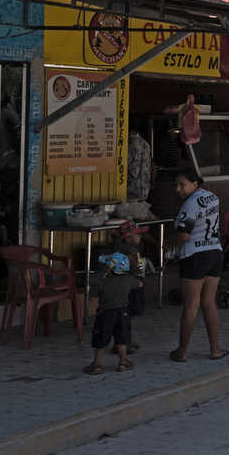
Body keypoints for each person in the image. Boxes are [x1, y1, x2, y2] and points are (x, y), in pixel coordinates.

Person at [168, 169, 227, 363]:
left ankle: (182, 352)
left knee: (191, 305)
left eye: (182, 185)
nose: (178, 189)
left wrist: (169, 244)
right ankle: (215, 349)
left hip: (195, 256)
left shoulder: (190, 204)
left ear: (194, 184)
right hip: (215, 253)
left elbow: (184, 235)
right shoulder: (213, 197)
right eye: (176, 185)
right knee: (209, 302)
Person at [85, 252, 138, 374]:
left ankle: (96, 365)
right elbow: (139, 284)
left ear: (109, 268)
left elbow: (92, 297)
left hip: (105, 314)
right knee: (122, 339)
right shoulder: (128, 279)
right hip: (123, 313)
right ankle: (123, 363)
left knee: (101, 339)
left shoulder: (103, 281)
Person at [116, 220, 150, 353]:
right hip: (130, 288)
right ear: (128, 237)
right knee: (125, 316)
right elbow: (134, 270)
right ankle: (122, 344)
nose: (140, 237)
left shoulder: (127, 250)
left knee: (126, 317)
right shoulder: (129, 252)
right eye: (138, 234)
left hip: (128, 287)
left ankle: (124, 342)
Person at [127, 124, 154, 202]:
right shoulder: (146, 144)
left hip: (132, 189)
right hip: (144, 188)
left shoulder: (129, 145)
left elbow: (130, 169)